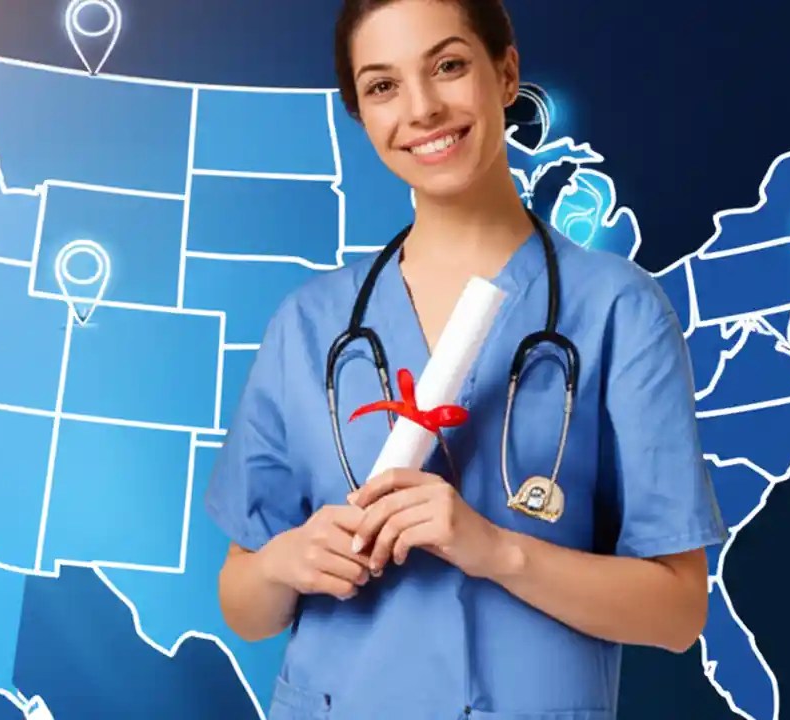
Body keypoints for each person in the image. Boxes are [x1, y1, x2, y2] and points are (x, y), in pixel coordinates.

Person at [204, 0, 728, 717]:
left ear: (505, 73)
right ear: (360, 112)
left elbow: (676, 613)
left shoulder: (619, 311)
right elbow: (245, 607)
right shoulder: (309, 325)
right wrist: (285, 564)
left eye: (447, 66)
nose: (421, 109)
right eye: (382, 86)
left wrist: (493, 548)